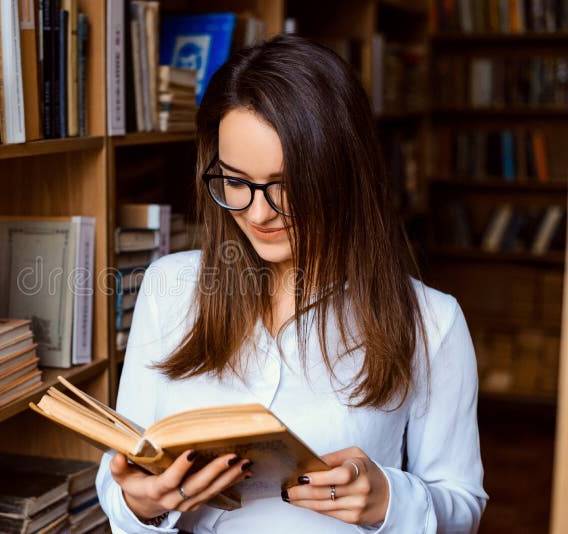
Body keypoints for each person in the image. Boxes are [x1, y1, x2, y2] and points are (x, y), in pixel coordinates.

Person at [96, 34, 488, 533]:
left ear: (341, 174)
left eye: (285, 186)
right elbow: (117, 481)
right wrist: (144, 504)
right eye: (236, 182)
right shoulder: (168, 287)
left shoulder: (432, 321)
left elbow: (463, 507)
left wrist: (390, 499)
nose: (258, 213)